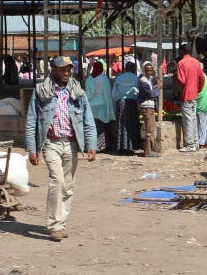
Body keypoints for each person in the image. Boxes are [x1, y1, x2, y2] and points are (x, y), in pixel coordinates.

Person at [26, 56, 96, 242]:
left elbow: (88, 119)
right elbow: (31, 121)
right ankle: (53, 225)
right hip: (51, 143)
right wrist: (32, 149)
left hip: (71, 144)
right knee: (57, 181)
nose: (66, 73)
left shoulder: (77, 91)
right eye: (62, 69)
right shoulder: (41, 91)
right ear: (53, 70)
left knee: (68, 185)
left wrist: (91, 145)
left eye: (69, 69)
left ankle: (61, 222)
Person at [176, 44, 204, 153]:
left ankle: (190, 145)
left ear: (182, 52)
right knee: (193, 118)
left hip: (186, 94)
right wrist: (198, 89)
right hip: (194, 94)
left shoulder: (181, 63)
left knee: (188, 120)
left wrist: (176, 79)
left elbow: (182, 80)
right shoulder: (196, 62)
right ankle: (195, 142)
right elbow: (202, 78)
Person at [111, 62, 141, 154]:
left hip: (121, 102)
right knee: (132, 125)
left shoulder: (119, 78)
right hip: (132, 102)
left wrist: (114, 105)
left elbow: (114, 93)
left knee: (122, 124)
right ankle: (131, 147)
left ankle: (122, 147)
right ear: (133, 69)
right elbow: (139, 92)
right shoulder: (136, 78)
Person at [85, 61, 115, 152]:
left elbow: (87, 94)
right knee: (102, 126)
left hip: (91, 106)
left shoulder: (89, 79)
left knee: (93, 127)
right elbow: (107, 93)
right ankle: (102, 146)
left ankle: (93, 146)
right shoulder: (104, 78)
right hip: (102, 105)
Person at [138, 61, 161, 157]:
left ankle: (149, 149)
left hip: (149, 106)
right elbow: (150, 94)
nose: (149, 72)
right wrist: (158, 88)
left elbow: (152, 87)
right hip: (147, 107)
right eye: (147, 71)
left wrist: (156, 85)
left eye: (150, 71)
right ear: (144, 70)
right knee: (149, 130)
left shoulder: (149, 79)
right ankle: (147, 151)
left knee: (151, 128)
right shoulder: (143, 80)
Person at [196, 76, 207, 149]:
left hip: (202, 104)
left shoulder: (199, 77)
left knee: (202, 124)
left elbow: (199, 91)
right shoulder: (206, 77)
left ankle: (201, 143)